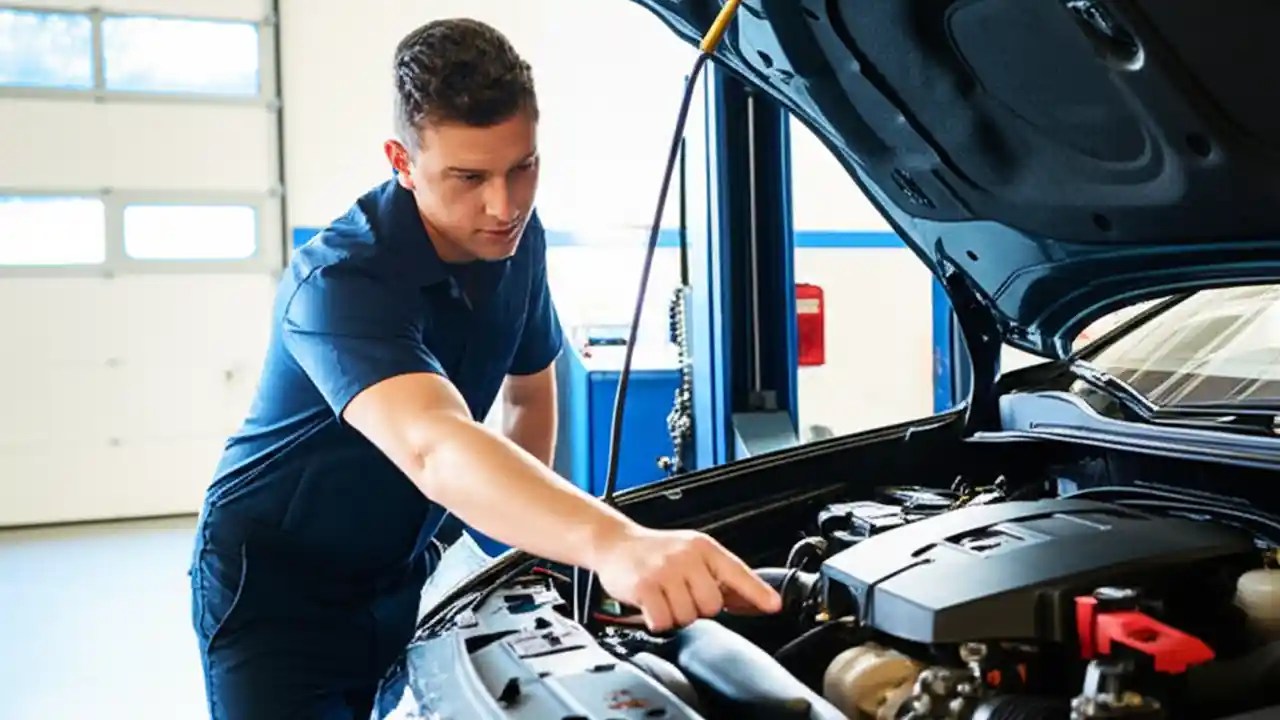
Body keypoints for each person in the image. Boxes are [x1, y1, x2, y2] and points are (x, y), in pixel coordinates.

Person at [188, 17, 781, 719]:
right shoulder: (341, 281)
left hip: (400, 569)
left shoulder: (518, 247)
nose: (504, 207)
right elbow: (433, 444)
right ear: (401, 161)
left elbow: (530, 396)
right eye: (468, 178)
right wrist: (610, 539)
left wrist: (518, 544)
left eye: (522, 167)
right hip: (280, 590)